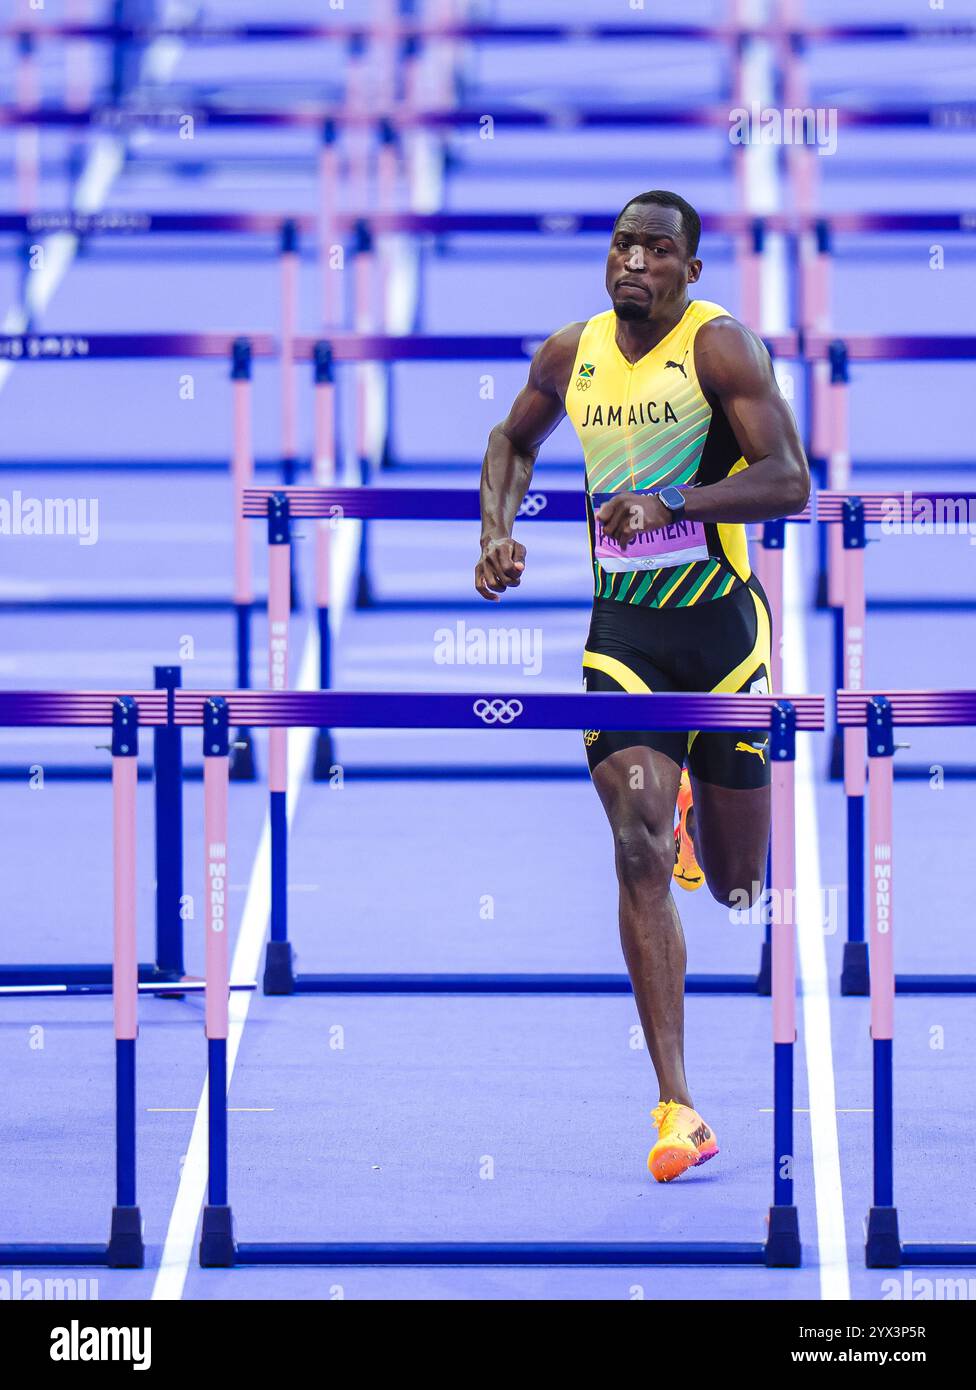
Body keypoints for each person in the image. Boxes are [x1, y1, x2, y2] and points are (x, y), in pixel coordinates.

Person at [475, 190, 809, 1182]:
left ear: (688, 270)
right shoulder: (566, 353)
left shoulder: (722, 350)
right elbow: (510, 441)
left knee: (740, 886)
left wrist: (672, 500)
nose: (634, 260)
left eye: (657, 249)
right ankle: (678, 1104)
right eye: (621, 243)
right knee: (632, 842)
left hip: (725, 641)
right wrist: (495, 528)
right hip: (624, 638)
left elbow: (789, 479)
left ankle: (703, 809)